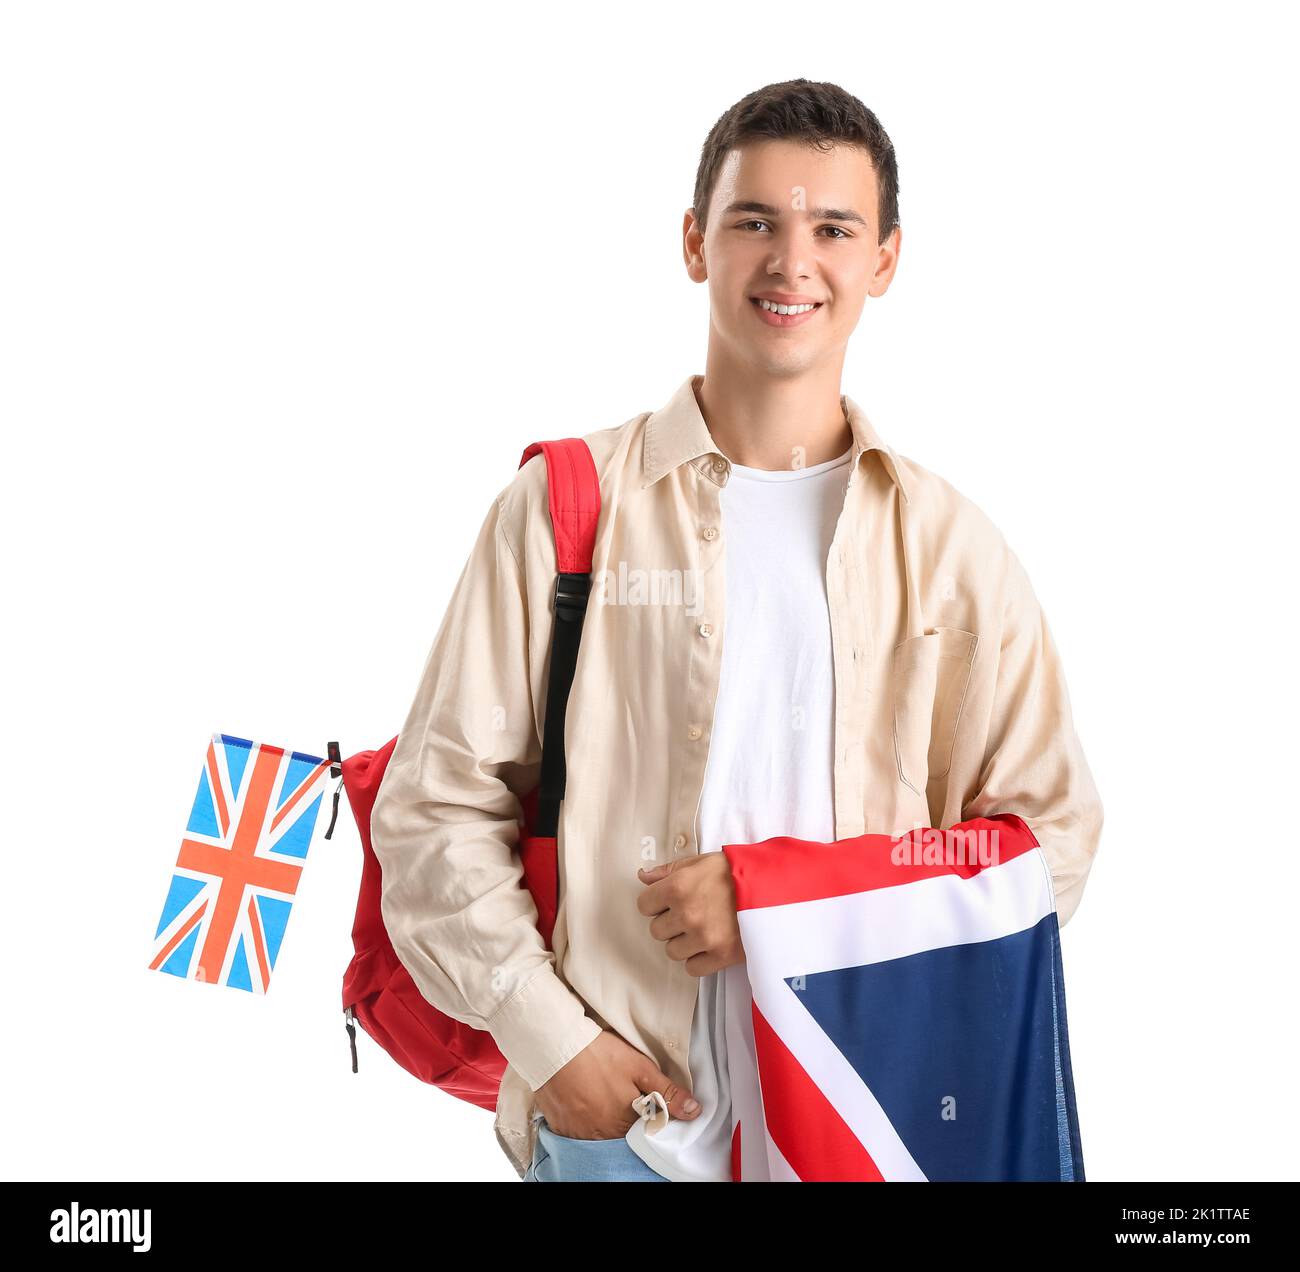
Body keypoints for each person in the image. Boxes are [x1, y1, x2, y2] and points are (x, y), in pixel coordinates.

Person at [370, 78, 1104, 1183]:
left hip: (870, 1124)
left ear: (886, 261)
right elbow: (434, 812)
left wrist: (778, 903)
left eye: (832, 228)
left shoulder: (953, 552)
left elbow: (1041, 850)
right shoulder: (569, 507)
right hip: (625, 1135)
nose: (790, 260)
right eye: (754, 220)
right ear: (693, 243)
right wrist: (550, 1042)